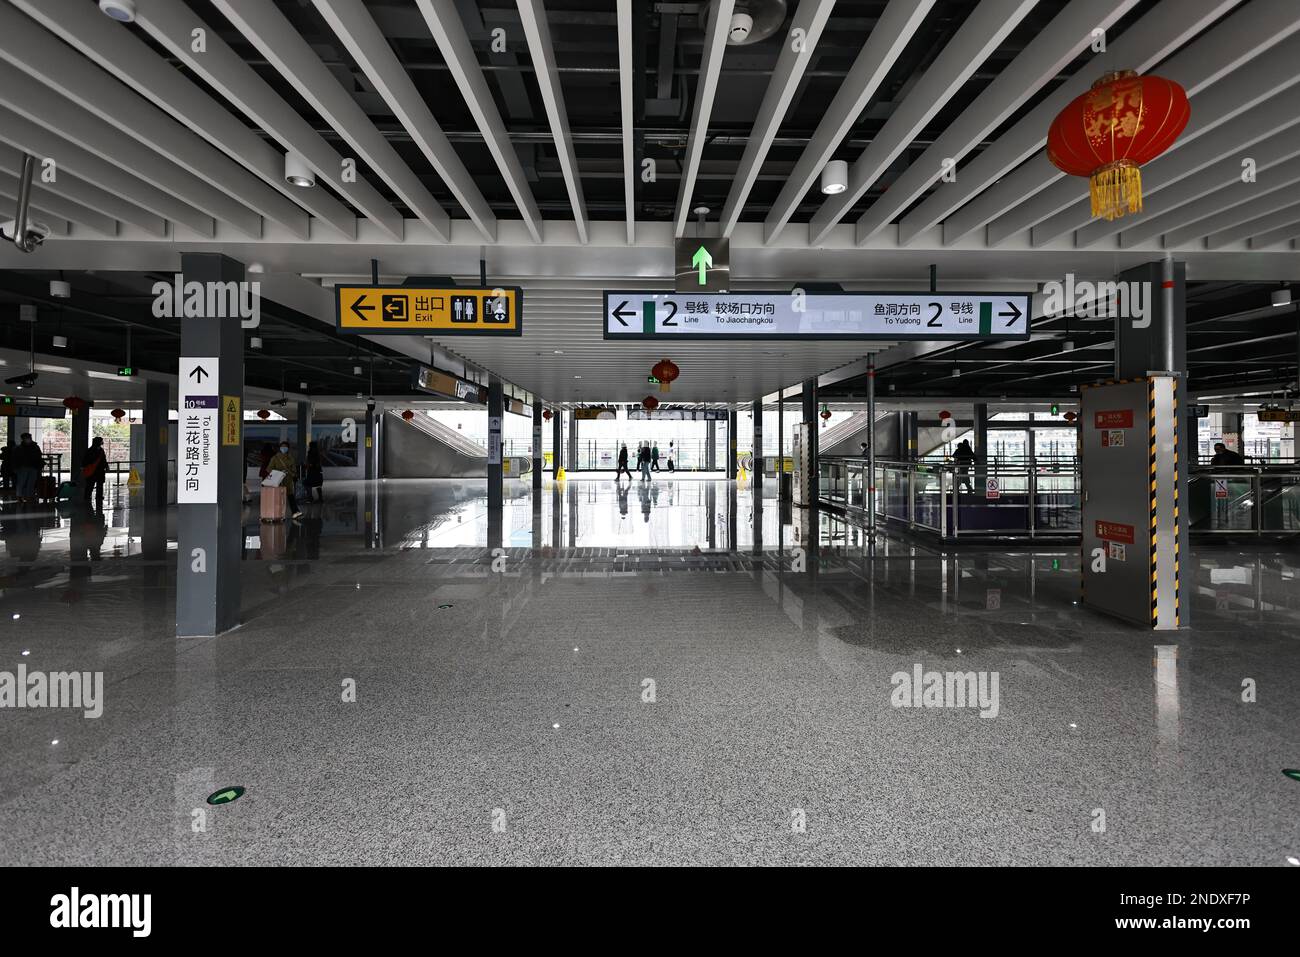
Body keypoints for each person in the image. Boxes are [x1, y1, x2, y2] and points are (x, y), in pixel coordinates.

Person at [268, 440, 303, 519]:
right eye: (282, 446)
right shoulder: (275, 458)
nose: (284, 448)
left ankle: (295, 511)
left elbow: (294, 471)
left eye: (285, 447)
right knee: (278, 497)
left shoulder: (291, 458)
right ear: (280, 448)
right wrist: (278, 472)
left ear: (288, 448)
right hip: (277, 480)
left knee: (290, 496)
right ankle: (276, 514)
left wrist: (289, 472)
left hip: (288, 480)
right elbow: (269, 469)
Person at [13, 433, 43, 504]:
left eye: (28, 438)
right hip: (24, 467)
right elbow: (15, 459)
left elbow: (39, 457)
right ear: (23, 439)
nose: (28, 439)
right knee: (22, 482)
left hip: (31, 467)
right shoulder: (20, 448)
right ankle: (22, 496)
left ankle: (27, 496)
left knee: (30, 483)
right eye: (26, 438)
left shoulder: (20, 448)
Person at [81, 436, 108, 509]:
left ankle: (98, 496)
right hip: (93, 471)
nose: (102, 442)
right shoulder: (90, 450)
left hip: (100, 470)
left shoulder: (100, 450)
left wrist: (106, 466)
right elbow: (86, 460)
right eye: (101, 441)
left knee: (99, 484)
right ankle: (87, 496)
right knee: (90, 484)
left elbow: (104, 459)